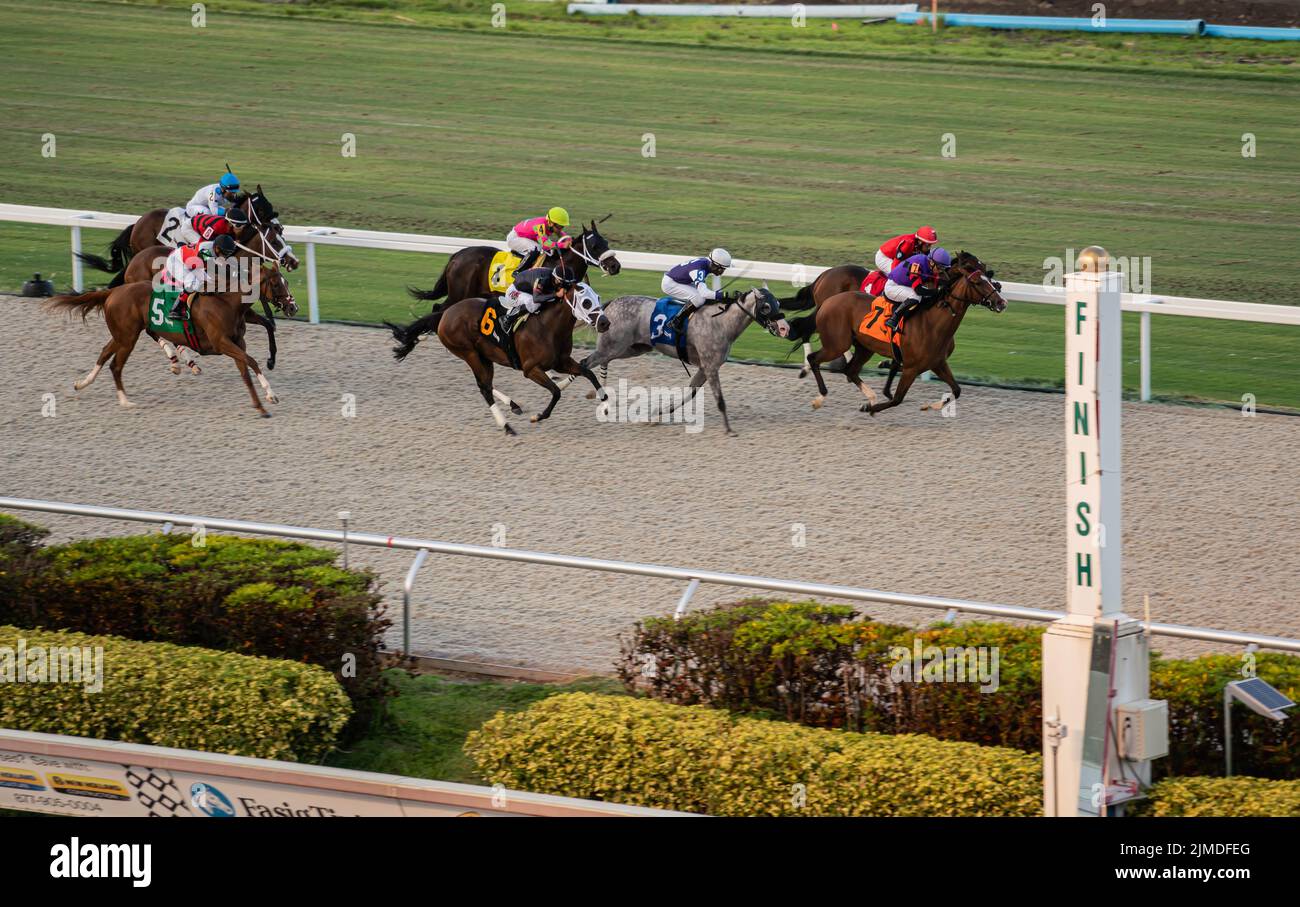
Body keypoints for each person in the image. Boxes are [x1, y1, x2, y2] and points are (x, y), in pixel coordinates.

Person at [164, 233, 238, 322]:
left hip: (192, 261)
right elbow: (216, 268)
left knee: (210, 281)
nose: (226, 256)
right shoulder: (205, 251)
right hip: (177, 262)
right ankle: (175, 309)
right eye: (225, 253)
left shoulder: (216, 248)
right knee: (193, 284)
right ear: (217, 248)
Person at [663, 248, 732, 333]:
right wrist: (724, 295)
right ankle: (676, 321)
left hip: (682, 281)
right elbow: (704, 293)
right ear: (713, 264)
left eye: (723, 269)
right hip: (670, 283)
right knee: (699, 298)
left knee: (708, 298)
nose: (721, 272)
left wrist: (720, 296)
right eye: (720, 268)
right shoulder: (698, 269)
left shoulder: (706, 263)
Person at [882, 247, 951, 333]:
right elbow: (918, 290)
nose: (941, 271)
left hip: (905, 285)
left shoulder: (929, 265)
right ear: (932, 262)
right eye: (940, 268)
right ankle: (894, 319)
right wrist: (937, 291)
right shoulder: (917, 264)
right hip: (893, 287)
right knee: (916, 297)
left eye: (943, 268)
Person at [499, 264, 579, 334]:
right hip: (514, 292)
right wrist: (556, 294)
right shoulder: (543, 279)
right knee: (534, 303)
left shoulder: (554, 277)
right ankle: (507, 319)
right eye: (564, 284)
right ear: (557, 280)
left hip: (528, 291)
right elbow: (536, 299)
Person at [506, 208, 572, 273]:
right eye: (560, 227)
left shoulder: (549, 223)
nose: (561, 229)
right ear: (551, 223)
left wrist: (568, 239)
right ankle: (518, 271)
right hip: (514, 239)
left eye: (562, 227)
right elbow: (545, 244)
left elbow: (560, 233)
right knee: (536, 248)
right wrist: (563, 245)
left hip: (525, 237)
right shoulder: (540, 226)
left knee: (543, 249)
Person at [873, 226, 938, 274]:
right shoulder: (907, 244)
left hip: (896, 257)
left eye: (931, 244)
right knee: (898, 273)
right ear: (920, 242)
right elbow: (895, 266)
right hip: (884, 257)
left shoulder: (919, 245)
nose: (929, 247)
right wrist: (912, 268)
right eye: (928, 245)